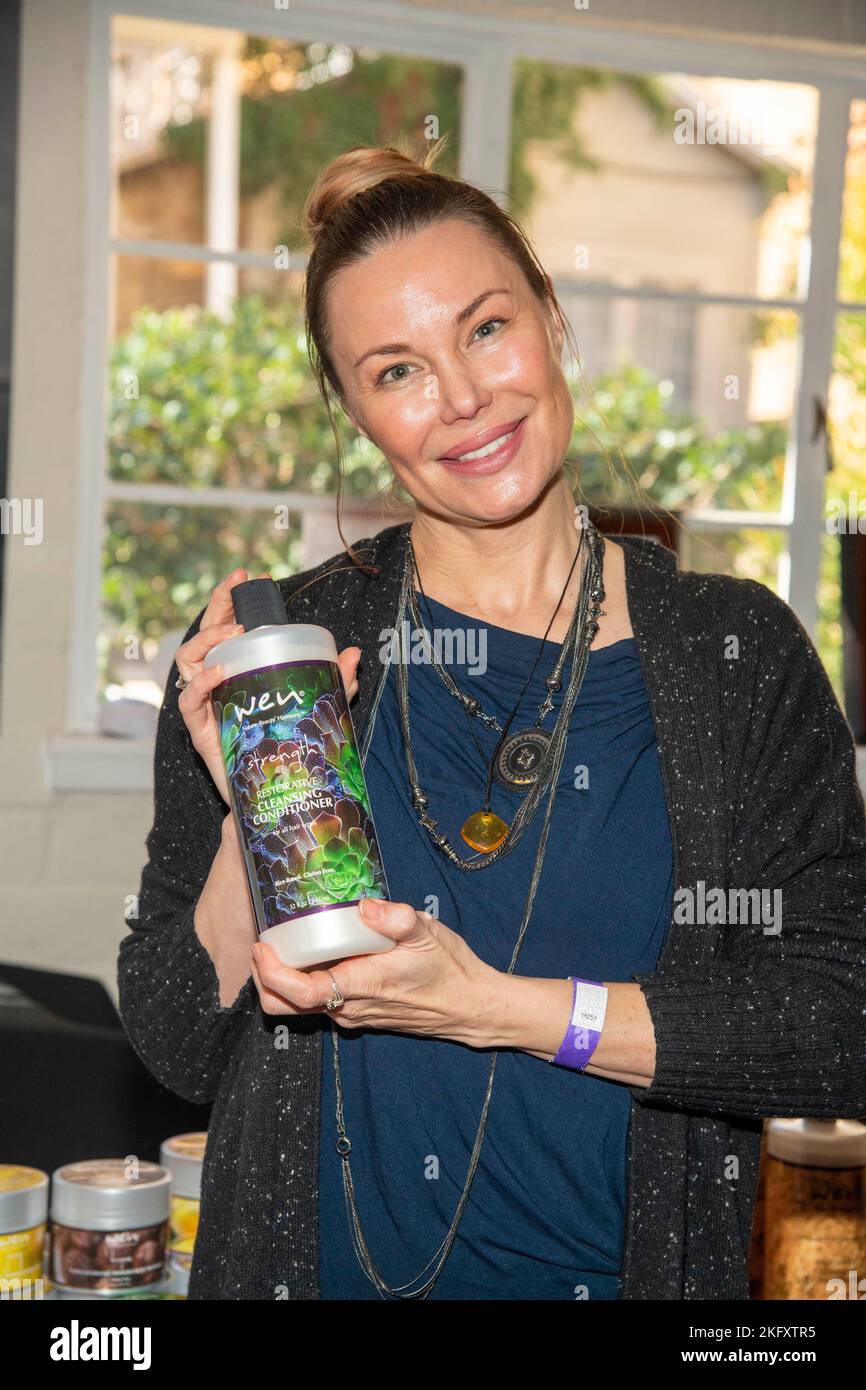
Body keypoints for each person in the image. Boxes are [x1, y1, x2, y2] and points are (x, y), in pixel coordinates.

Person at [117, 143, 866, 1302]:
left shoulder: (736, 653)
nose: (462, 399)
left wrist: (497, 1012)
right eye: (396, 370)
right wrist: (246, 814)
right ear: (354, 411)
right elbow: (176, 1041)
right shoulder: (288, 658)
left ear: (548, 317)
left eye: (483, 328)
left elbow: (835, 1020)